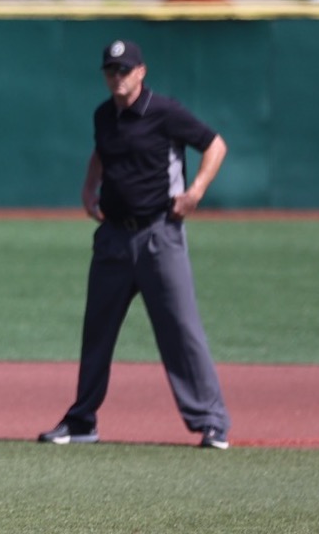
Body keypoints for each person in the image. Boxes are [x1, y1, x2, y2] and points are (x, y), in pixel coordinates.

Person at [41, 39, 234, 449]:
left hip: (158, 234)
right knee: (97, 331)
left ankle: (211, 421)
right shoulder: (103, 115)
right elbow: (103, 152)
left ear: (141, 72)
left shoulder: (164, 112)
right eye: (111, 70)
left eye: (124, 69)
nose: (117, 77)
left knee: (181, 330)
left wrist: (197, 190)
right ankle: (82, 421)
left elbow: (215, 145)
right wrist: (89, 186)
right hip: (113, 239)